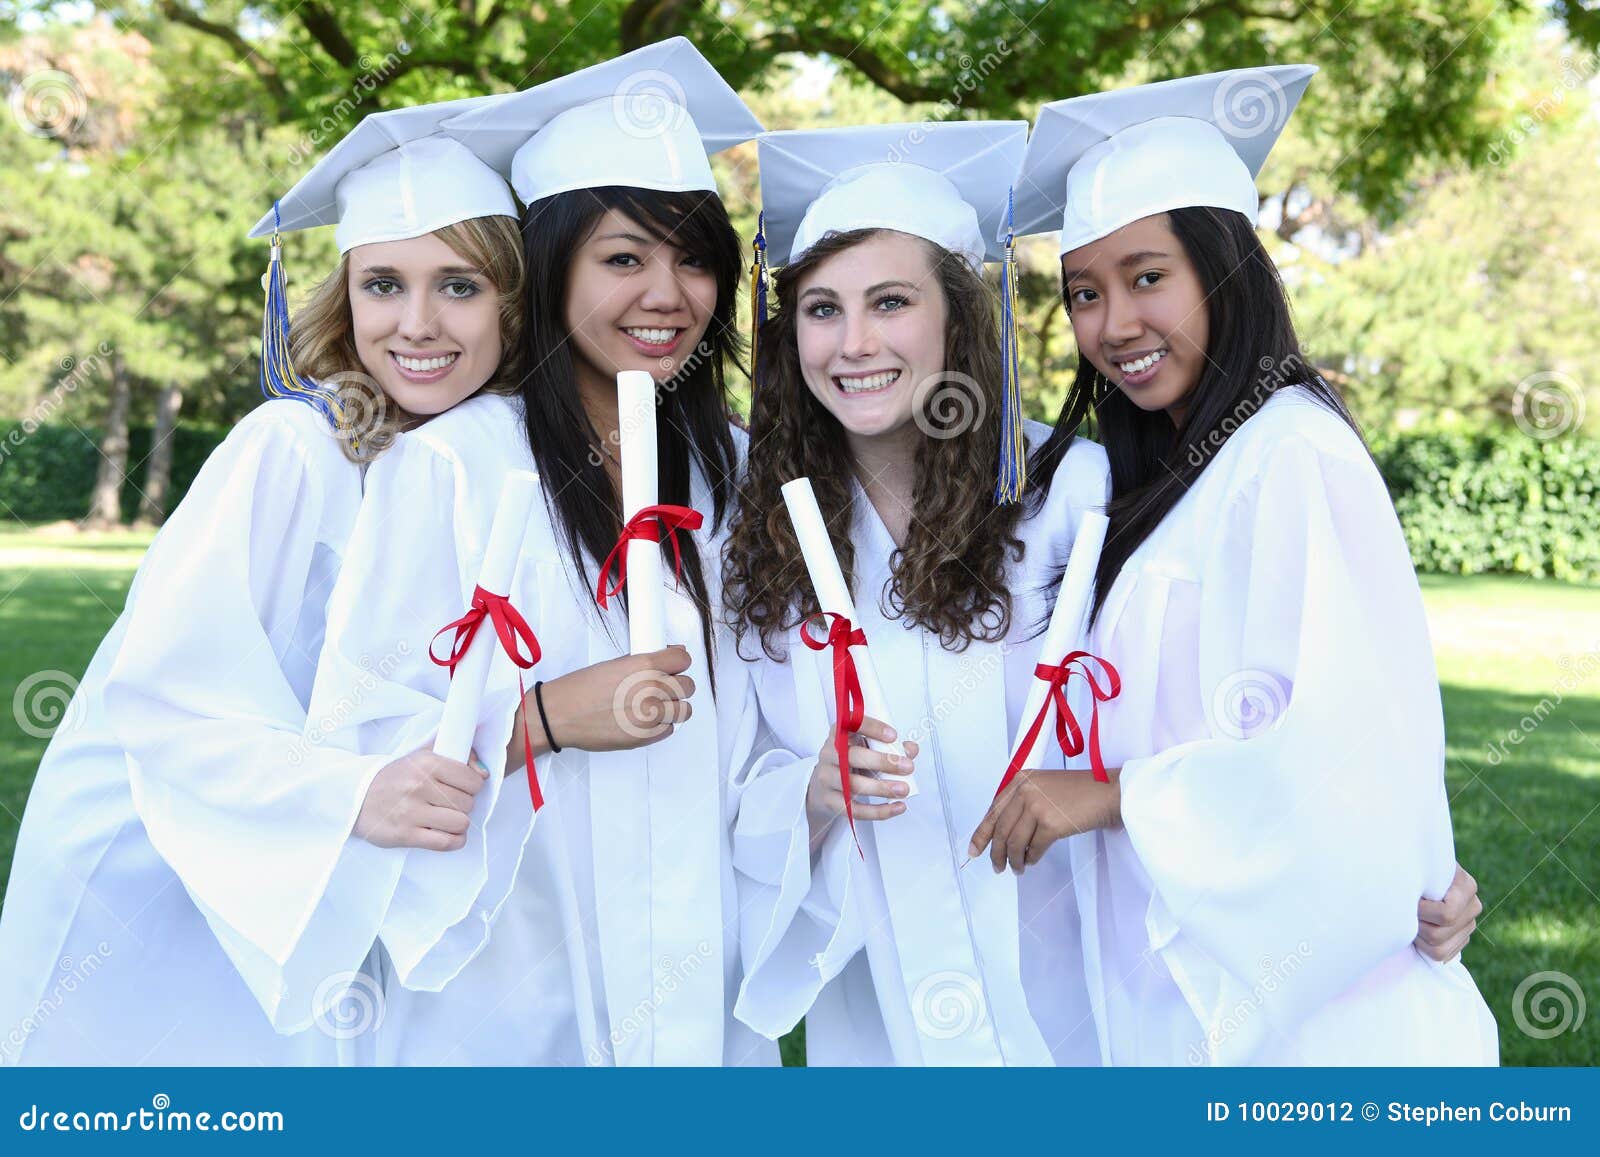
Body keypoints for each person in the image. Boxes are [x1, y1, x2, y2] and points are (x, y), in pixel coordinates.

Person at [970, 66, 1500, 1065]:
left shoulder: (1290, 452)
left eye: (1146, 276)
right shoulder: (1169, 472)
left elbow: (1342, 743)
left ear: (1223, 269)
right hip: (1181, 977)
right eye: (1084, 292)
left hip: (1316, 1024)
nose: (1113, 323)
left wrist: (1112, 792)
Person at [0, 102, 524, 1064]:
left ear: (513, 305)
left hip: (317, 862)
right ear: (344, 298)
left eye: (459, 284)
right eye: (382, 284)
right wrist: (355, 791)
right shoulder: (292, 446)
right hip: (159, 855)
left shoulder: (476, 464)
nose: (416, 323)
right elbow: (165, 693)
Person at [306, 37, 782, 1066]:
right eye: (623, 258)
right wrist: (545, 718)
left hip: (700, 963)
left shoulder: (736, 473)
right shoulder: (453, 465)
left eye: (693, 256)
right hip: (507, 982)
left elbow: (763, 735)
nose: (668, 292)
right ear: (550, 270)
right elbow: (354, 743)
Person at [723, 121, 1111, 1066]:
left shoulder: (1073, 494)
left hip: (1069, 981)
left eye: (889, 302)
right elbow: (738, 774)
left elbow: (1187, 717)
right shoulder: (768, 531)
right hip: (881, 1009)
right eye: (820, 309)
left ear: (958, 317)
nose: (852, 343)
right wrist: (811, 794)